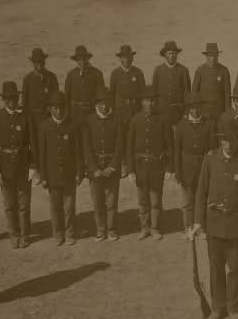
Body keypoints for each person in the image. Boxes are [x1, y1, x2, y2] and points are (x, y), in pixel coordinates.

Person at [191, 125, 238, 319]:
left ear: (237, 141)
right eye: (225, 140)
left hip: (237, 226)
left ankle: (234, 307)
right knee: (216, 268)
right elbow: (201, 193)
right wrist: (197, 222)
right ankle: (218, 308)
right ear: (221, 141)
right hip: (214, 225)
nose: (229, 144)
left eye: (232, 140)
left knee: (236, 269)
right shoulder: (210, 159)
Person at [0, 82, 37, 249]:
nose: (12, 101)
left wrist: (33, 166)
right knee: (9, 204)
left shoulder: (27, 116)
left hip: (23, 167)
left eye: (14, 98)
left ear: (18, 98)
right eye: (8, 99)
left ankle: (25, 235)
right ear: (4, 100)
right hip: (5, 168)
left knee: (24, 204)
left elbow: (33, 143)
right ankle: (13, 234)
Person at [126, 85, 173, 241]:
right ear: (141, 102)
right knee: (142, 200)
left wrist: (168, 168)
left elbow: (169, 147)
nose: (149, 104)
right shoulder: (135, 120)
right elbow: (130, 147)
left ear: (156, 102)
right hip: (140, 167)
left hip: (156, 167)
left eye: (152, 101)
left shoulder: (163, 120)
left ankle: (155, 228)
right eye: (146, 101)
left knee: (155, 200)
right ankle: (144, 228)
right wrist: (130, 170)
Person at [38, 91, 83, 246]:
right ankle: (58, 233)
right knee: (55, 206)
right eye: (55, 108)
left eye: (61, 107)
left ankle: (70, 233)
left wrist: (79, 172)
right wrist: (43, 176)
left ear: (65, 108)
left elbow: (78, 152)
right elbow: (42, 154)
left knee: (69, 207)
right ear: (50, 109)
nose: (58, 111)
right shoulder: (44, 127)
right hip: (52, 176)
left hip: (69, 175)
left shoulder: (73, 125)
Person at [82, 87, 124, 242]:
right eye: (100, 103)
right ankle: (100, 230)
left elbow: (120, 145)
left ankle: (112, 229)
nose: (104, 106)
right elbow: (87, 148)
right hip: (96, 169)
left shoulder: (117, 120)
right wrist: (94, 169)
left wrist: (112, 166)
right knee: (98, 201)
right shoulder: (89, 120)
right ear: (96, 104)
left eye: (106, 103)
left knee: (112, 202)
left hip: (112, 168)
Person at [174, 92, 216, 240]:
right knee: (187, 201)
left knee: (202, 199)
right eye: (192, 108)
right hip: (186, 169)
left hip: (203, 168)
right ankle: (188, 227)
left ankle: (201, 227)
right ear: (188, 109)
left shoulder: (209, 124)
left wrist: (210, 170)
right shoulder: (181, 126)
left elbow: (212, 150)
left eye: (197, 107)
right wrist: (178, 171)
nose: (195, 110)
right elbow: (177, 151)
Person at [152, 40, 191, 130]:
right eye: (169, 53)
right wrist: (156, 110)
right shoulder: (158, 70)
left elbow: (187, 92)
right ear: (165, 55)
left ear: (177, 54)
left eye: (174, 53)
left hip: (179, 112)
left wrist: (185, 112)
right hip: (162, 111)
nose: (172, 56)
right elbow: (154, 93)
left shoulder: (183, 70)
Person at [64, 44, 105, 128]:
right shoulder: (71, 75)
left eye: (84, 59)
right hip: (75, 113)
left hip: (91, 112)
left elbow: (100, 96)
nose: (82, 61)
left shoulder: (97, 74)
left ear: (87, 59)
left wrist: (98, 113)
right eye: (79, 59)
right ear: (76, 60)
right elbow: (67, 97)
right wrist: (68, 114)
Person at [109, 44, 146, 129]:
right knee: (121, 136)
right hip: (120, 112)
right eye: (124, 57)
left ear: (132, 58)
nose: (126, 60)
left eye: (129, 57)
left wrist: (141, 111)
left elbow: (142, 93)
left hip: (134, 110)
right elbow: (111, 94)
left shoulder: (138, 73)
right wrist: (113, 111)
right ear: (120, 59)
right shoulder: (115, 73)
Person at [22, 47, 59, 132]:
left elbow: (56, 99)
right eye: (37, 62)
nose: (40, 64)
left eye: (41, 61)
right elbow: (25, 103)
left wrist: (51, 112)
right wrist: (28, 121)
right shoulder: (27, 79)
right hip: (33, 118)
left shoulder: (52, 77)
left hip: (48, 116)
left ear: (44, 61)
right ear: (33, 63)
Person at [192, 42, 231, 121]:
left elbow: (227, 94)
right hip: (203, 112)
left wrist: (227, 113)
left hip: (220, 112)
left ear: (218, 56)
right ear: (206, 56)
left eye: (215, 55)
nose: (213, 58)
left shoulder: (224, 70)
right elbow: (194, 93)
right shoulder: (200, 71)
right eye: (210, 56)